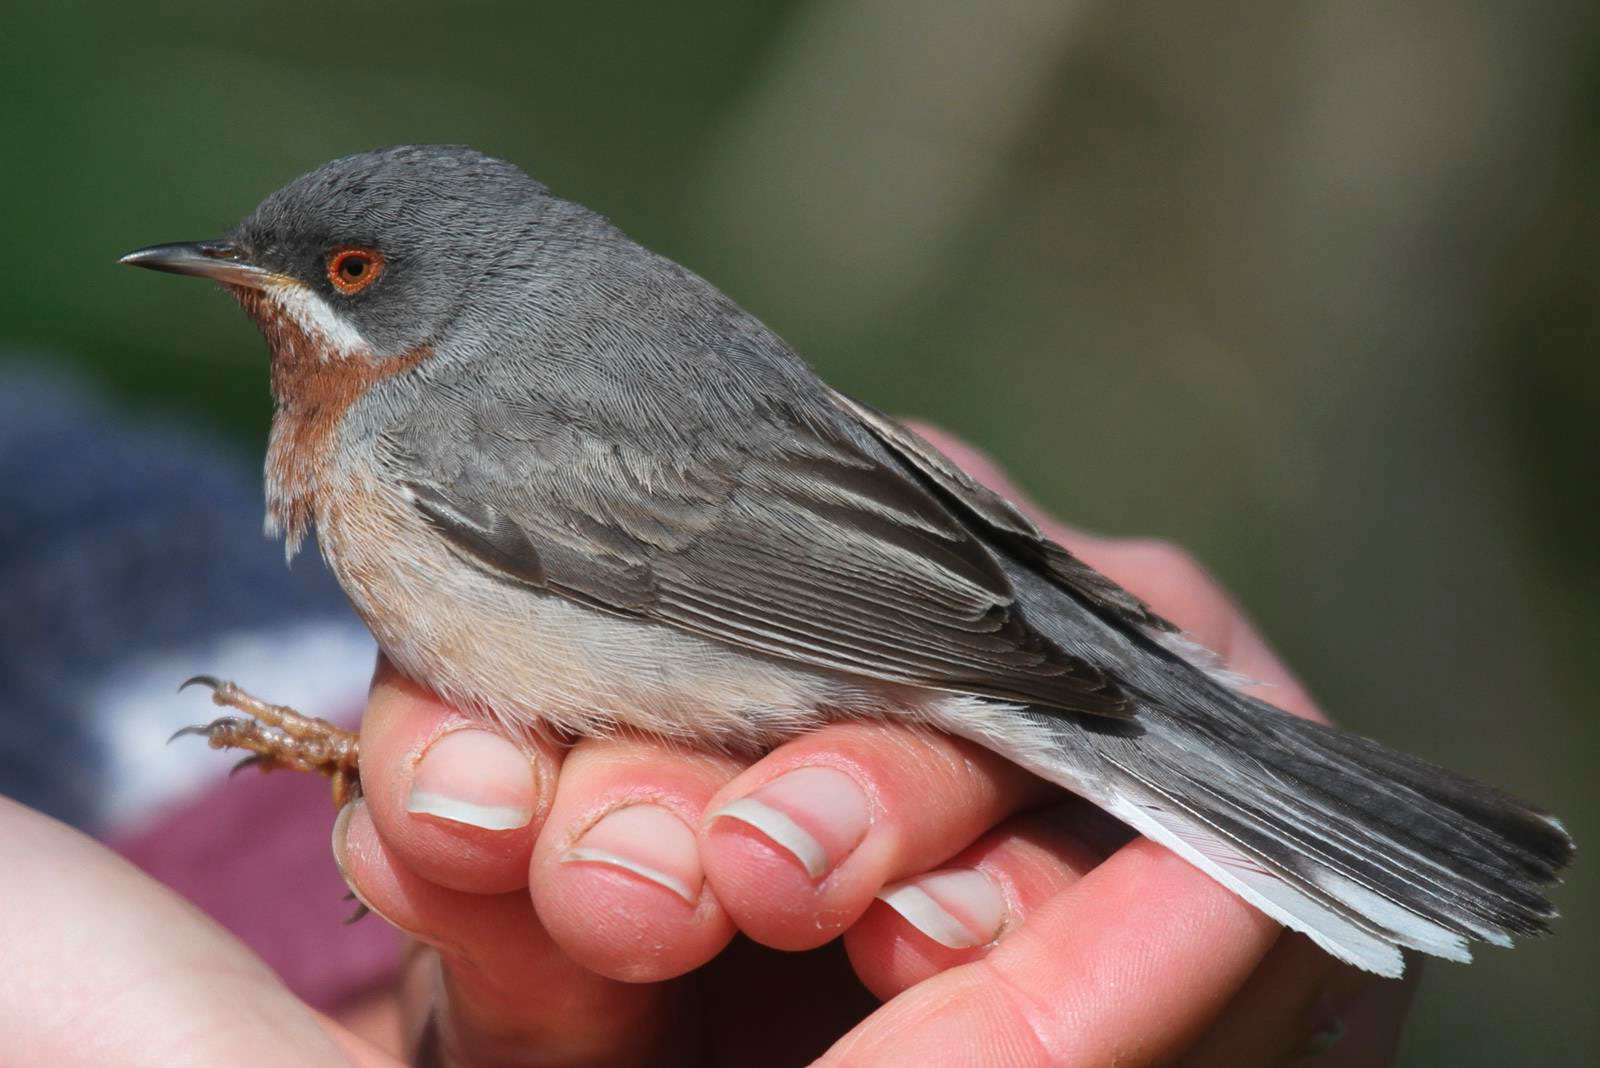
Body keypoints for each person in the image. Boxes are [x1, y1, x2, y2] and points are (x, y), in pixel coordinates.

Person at [0, 366, 1412, 1065]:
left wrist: (374, 948)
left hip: (861, 623)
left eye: (353, 273)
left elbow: (91, 590)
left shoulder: (430, 428)